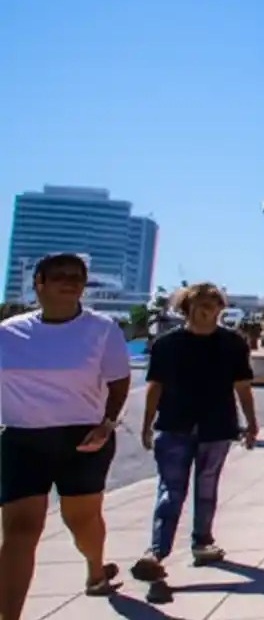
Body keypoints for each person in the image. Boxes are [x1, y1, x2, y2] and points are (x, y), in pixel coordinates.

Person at [0, 253, 132, 615]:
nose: (70, 281)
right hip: (22, 439)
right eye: (59, 275)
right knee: (20, 531)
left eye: (77, 276)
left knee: (82, 521)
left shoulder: (102, 329)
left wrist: (107, 423)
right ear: (38, 283)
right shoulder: (8, 333)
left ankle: (95, 569)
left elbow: (119, 381)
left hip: (82, 438)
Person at [129, 283, 258, 598]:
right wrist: (146, 425)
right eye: (201, 304)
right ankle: (156, 552)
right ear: (186, 308)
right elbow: (154, 387)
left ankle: (202, 541)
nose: (208, 309)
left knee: (207, 488)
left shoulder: (233, 344)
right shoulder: (167, 345)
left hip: (217, 426)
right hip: (175, 425)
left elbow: (242, 386)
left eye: (214, 304)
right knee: (170, 490)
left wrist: (251, 423)